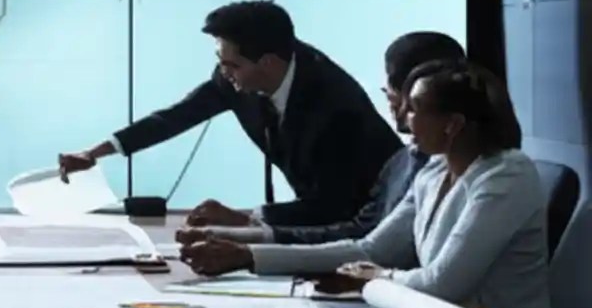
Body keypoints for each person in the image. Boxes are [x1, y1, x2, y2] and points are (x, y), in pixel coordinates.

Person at [182, 60, 557, 308]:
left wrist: (374, 279)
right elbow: (369, 249)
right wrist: (248, 256)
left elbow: (442, 283)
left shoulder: (506, 176)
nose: (404, 118)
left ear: (453, 124)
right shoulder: (433, 170)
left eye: (414, 109)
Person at [59, 0, 401, 227]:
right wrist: (96, 152)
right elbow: (176, 117)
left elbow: (334, 205)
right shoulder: (236, 77)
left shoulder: (335, 107)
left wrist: (244, 219)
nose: (224, 72)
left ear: (267, 62)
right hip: (314, 216)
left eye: (231, 65)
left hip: (378, 219)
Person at [176, 31, 466, 245]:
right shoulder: (401, 164)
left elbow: (374, 250)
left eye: (391, 91)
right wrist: (245, 230)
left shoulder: (483, 177)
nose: (393, 106)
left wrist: (248, 244)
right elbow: (360, 233)